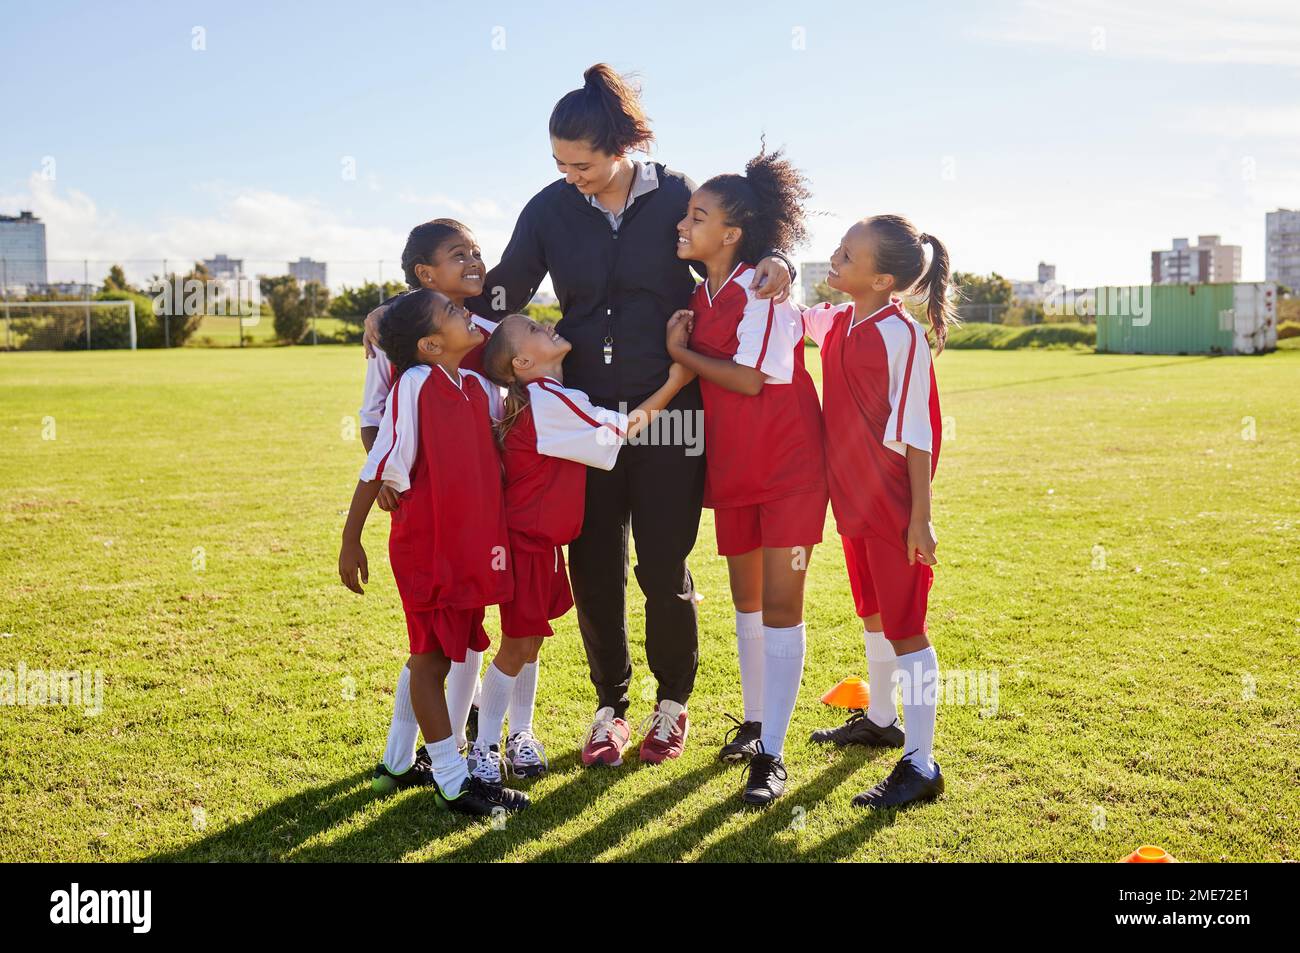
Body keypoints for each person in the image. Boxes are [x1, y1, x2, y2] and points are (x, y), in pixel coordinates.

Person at [461, 64, 795, 766]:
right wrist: (417, 311)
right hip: (586, 418)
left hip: (673, 412)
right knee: (593, 563)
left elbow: (735, 242)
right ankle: (609, 704)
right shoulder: (550, 210)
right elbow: (503, 292)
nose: (570, 175)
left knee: (664, 563)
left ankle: (672, 703)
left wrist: (782, 263)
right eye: (558, 162)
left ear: (618, 145)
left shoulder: (675, 193)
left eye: (580, 162)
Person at [663, 147, 827, 806]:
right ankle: (756, 722)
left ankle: (774, 755)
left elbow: (753, 380)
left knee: (784, 607)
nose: (683, 224)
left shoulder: (762, 286)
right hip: (734, 466)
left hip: (788, 464)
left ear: (731, 234)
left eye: (697, 216)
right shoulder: (700, 291)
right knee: (748, 603)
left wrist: (682, 352)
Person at [472, 314, 695, 776]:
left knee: (528, 645)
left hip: (539, 545)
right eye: (535, 329)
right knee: (516, 648)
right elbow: (627, 427)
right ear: (524, 360)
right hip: (528, 545)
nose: (547, 324)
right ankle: (485, 749)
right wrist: (676, 379)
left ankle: (513, 739)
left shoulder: (545, 395)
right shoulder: (550, 399)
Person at [339, 289, 528, 816]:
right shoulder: (415, 385)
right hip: (430, 547)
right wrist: (350, 538)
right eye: (450, 313)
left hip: (472, 548)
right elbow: (379, 461)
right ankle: (451, 779)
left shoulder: (475, 385)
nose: (463, 312)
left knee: (451, 651)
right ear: (428, 344)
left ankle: (420, 766)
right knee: (430, 658)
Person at [800, 215, 952, 809]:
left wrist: (920, 516)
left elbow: (919, 432)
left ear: (883, 278)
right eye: (838, 248)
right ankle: (882, 721)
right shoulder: (837, 320)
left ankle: (921, 762)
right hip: (850, 495)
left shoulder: (902, 335)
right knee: (873, 611)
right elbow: (793, 314)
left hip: (892, 498)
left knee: (906, 623)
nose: (835, 257)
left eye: (848, 254)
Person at [359, 220, 499, 793]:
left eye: (476, 252)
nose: (473, 260)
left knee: (461, 631)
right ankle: (408, 756)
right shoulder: (393, 340)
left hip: (482, 509)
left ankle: (440, 751)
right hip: (427, 509)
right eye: (457, 254)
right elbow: (374, 418)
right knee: (432, 639)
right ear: (424, 273)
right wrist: (388, 479)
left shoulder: (490, 334)